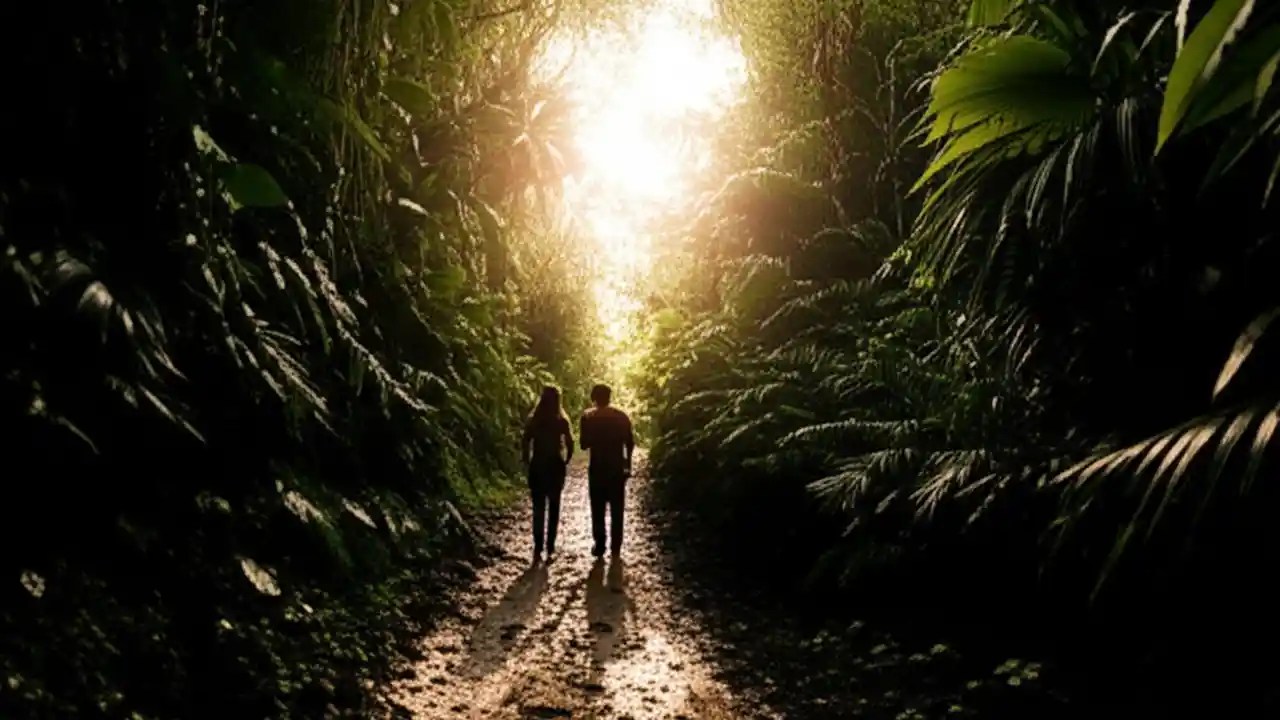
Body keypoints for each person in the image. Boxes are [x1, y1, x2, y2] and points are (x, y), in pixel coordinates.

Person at [579, 383, 635, 558]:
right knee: (617, 508)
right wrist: (628, 464)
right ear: (610, 397)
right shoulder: (622, 417)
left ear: (594, 398)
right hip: (616, 467)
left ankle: (600, 544)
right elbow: (630, 442)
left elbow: (583, 444)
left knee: (598, 507)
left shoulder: (588, 417)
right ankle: (616, 546)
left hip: (597, 467)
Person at [521, 385, 573, 564]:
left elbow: (525, 441)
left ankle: (537, 546)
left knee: (538, 507)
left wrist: (527, 460)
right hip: (555, 465)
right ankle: (550, 545)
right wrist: (566, 460)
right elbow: (571, 443)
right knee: (554, 506)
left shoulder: (534, 419)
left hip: (538, 465)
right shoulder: (561, 420)